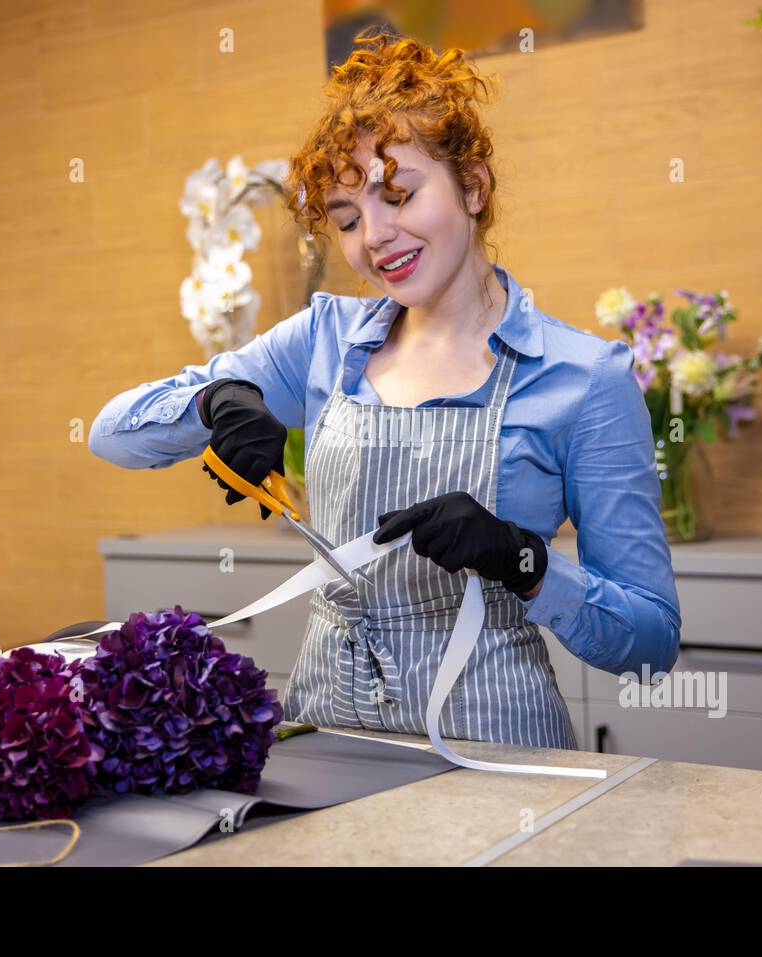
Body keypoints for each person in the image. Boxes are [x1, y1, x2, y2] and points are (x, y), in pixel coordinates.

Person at [90, 31, 680, 750]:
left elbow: (649, 642)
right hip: (325, 744)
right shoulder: (324, 341)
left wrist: (524, 561)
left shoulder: (585, 379)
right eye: (345, 216)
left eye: (397, 194)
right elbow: (111, 432)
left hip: (496, 755)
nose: (374, 236)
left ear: (473, 186)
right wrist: (214, 402)